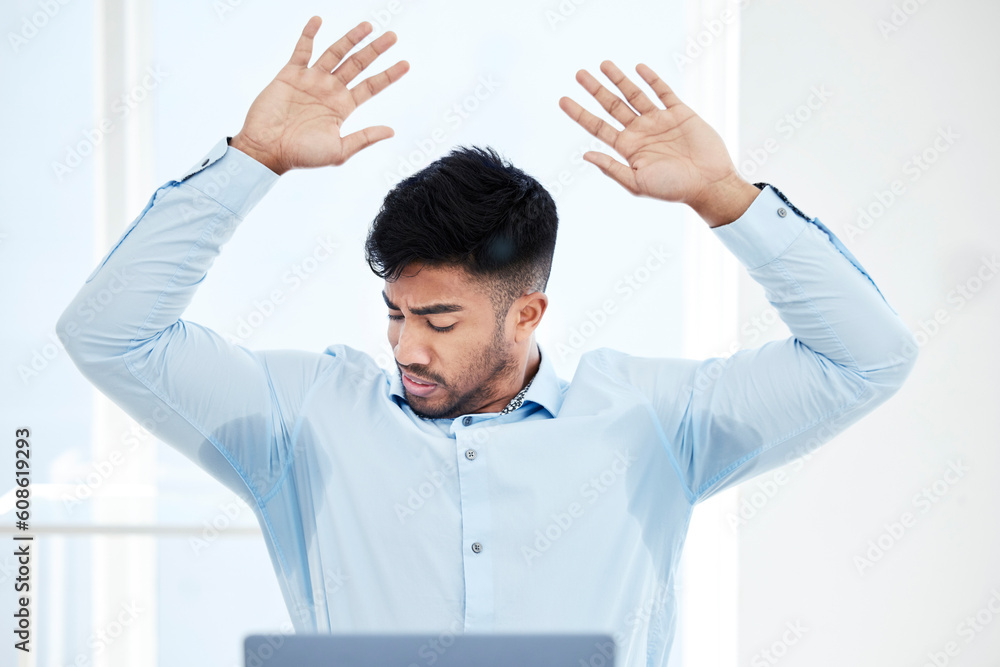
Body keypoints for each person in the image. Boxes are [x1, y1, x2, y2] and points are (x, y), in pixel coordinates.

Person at [56, 15, 917, 667]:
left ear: (527, 313)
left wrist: (726, 196)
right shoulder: (302, 419)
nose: (406, 348)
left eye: (439, 321)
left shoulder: (658, 421)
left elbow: (867, 357)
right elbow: (109, 335)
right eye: (395, 313)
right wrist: (252, 161)